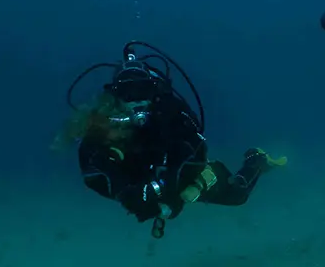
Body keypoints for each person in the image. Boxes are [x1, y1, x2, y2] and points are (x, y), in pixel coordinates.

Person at [63, 42, 285, 237]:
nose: (136, 100)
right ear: (114, 95)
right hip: (139, 180)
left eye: (143, 91)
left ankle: (255, 159)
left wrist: (167, 190)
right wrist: (125, 193)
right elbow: (92, 169)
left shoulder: (170, 110)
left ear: (154, 90)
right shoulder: (103, 121)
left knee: (238, 196)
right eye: (127, 93)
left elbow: (196, 148)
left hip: (180, 176)